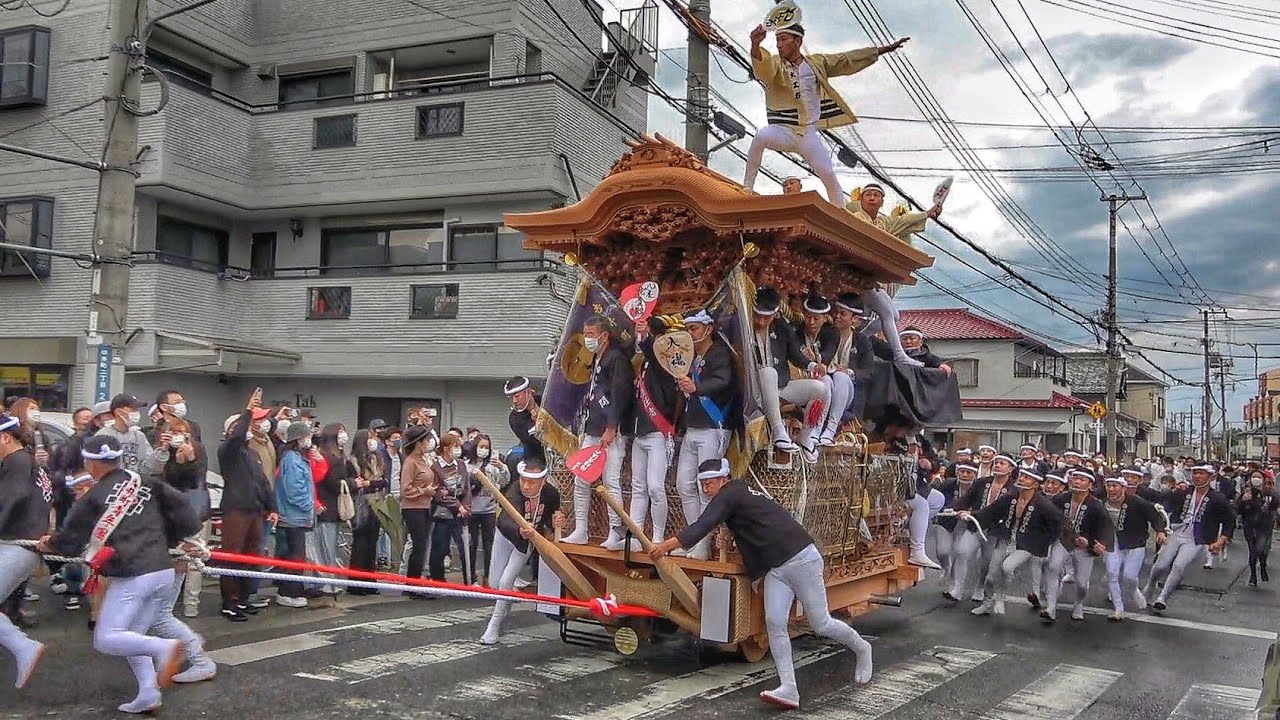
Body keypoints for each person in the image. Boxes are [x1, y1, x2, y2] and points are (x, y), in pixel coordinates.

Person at [651, 459, 874, 709]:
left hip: (801, 558)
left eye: (709, 483)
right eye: (702, 484)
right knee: (774, 623)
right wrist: (745, 560)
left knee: (821, 624)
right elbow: (753, 536)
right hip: (777, 569)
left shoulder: (731, 493)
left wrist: (664, 547)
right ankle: (789, 688)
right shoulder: (738, 495)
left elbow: (702, 526)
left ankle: (862, 648)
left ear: (724, 479)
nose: (705, 489)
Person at [40, 435, 201, 714]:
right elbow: (184, 510)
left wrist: (49, 544)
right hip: (162, 568)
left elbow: (70, 542)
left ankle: (165, 648)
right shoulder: (144, 481)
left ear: (90, 462)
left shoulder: (92, 497)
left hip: (132, 573)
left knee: (107, 637)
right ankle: (149, 693)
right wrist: (174, 539)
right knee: (133, 635)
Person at [743, 20, 908, 206]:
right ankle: (747, 188)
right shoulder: (775, 64)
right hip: (783, 130)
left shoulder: (817, 63)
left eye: (783, 39)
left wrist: (882, 50)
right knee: (761, 136)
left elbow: (846, 59)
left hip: (808, 134)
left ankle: (840, 214)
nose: (779, 45)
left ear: (797, 41)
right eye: (777, 40)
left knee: (828, 175)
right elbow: (762, 68)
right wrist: (755, 44)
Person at [564, 315, 633, 550]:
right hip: (592, 428)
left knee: (611, 481)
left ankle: (617, 531)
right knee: (580, 478)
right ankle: (581, 528)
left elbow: (620, 395)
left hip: (611, 431)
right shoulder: (596, 360)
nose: (587, 339)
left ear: (604, 336)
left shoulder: (617, 360)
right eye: (586, 334)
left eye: (591, 334)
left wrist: (612, 427)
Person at [480, 457, 565, 645]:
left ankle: (493, 625)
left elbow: (550, 520)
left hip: (527, 541)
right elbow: (504, 519)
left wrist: (556, 521)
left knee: (506, 580)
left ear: (543, 481)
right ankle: (504, 608)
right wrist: (519, 529)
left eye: (532, 482)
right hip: (505, 536)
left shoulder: (551, 494)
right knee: (495, 583)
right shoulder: (514, 491)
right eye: (523, 480)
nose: (526, 486)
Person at [956, 469, 1064, 617]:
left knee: (1007, 568)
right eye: (1021, 476)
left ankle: (1000, 597)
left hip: (1026, 544)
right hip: (1006, 538)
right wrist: (970, 514)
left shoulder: (1043, 505)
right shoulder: (1011, 497)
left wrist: (1042, 542)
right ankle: (986, 604)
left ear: (1035, 484)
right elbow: (991, 511)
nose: (1022, 479)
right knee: (991, 575)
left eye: (1027, 477)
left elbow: (1057, 525)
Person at [673, 309, 736, 558]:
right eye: (687, 329)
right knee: (683, 484)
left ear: (708, 329)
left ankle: (702, 544)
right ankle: (695, 537)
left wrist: (697, 387)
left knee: (706, 488)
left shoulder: (720, 354)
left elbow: (723, 382)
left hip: (713, 426)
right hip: (693, 427)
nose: (690, 334)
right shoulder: (688, 357)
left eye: (694, 329)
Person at [214, 389, 279, 621]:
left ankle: (243, 598)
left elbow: (263, 481)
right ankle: (229, 603)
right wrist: (248, 409)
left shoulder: (252, 453)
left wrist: (272, 507)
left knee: (251, 557)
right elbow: (237, 435)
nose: (251, 429)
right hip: (236, 510)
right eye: (247, 425)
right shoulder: (227, 451)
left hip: (255, 510)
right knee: (232, 556)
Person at [1141, 463, 1234, 612]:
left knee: (1179, 566)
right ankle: (1150, 586)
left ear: (1211, 477)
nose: (1197, 476)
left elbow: (1229, 521)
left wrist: (1220, 541)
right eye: (1195, 473)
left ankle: (1163, 597)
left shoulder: (1218, 498)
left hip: (1197, 538)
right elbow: (1164, 503)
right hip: (1177, 531)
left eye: (1201, 473)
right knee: (1161, 564)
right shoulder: (1184, 492)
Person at [0, 412, 49, 690]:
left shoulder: (16, 461)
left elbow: (12, 498)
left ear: (5, 437)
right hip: (21, 545)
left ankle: (23, 646)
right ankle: (22, 646)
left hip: (18, 546)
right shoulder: (29, 461)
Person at [752, 286, 830, 456]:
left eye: (766, 318)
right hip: (753, 387)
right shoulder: (743, 326)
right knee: (768, 372)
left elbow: (795, 353)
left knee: (820, 389)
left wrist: (812, 366)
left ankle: (807, 435)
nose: (761, 322)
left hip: (780, 387)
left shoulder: (782, 327)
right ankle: (778, 430)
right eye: (758, 316)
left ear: (775, 314)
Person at [1042, 469, 1113, 623]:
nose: (1076, 481)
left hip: (1084, 547)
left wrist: (1098, 542)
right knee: (1053, 567)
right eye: (1074, 478)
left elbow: (1106, 527)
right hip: (1064, 540)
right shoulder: (1060, 499)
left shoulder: (1096, 505)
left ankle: (1079, 604)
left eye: (1081, 479)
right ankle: (1050, 606)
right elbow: (1048, 516)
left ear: (1090, 484)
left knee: (1081, 584)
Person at [947, 454, 1016, 603]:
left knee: (986, 562)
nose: (997, 465)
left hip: (995, 531)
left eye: (1002, 463)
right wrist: (952, 508)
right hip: (974, 526)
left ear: (1010, 468)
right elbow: (967, 499)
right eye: (996, 462)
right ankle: (957, 589)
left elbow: (996, 510)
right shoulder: (981, 482)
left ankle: (979, 588)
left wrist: (971, 513)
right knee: (962, 552)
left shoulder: (1013, 491)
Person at [1103, 474, 1167, 621]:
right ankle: (1118, 610)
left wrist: (1160, 531)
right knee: (1112, 573)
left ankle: (1134, 590)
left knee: (1129, 577)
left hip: (1135, 544)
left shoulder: (1137, 502)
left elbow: (1154, 516)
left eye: (1115, 486)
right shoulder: (1102, 503)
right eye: (1109, 486)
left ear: (1123, 488)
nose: (1111, 489)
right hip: (1113, 543)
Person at [274, 422, 319, 608]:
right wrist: (309, 505)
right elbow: (294, 490)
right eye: (306, 436)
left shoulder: (295, 458)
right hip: (293, 516)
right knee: (294, 556)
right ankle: (289, 592)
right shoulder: (293, 460)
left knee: (291, 555)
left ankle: (291, 590)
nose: (309, 440)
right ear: (298, 439)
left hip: (292, 515)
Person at [398, 425, 438, 595]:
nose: (429, 443)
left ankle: (416, 581)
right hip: (413, 508)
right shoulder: (410, 462)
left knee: (423, 545)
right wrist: (424, 491)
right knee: (418, 545)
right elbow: (405, 490)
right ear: (418, 443)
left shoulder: (423, 460)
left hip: (425, 506)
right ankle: (412, 584)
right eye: (426, 440)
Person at [312, 423, 351, 594]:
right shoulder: (326, 456)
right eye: (340, 431)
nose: (343, 435)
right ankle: (326, 582)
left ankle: (330, 580)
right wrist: (350, 483)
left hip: (333, 508)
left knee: (332, 546)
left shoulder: (338, 455)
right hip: (326, 507)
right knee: (325, 547)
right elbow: (330, 481)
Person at [347, 429, 388, 592]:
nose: (373, 441)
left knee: (372, 543)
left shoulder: (377, 458)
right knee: (360, 543)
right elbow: (354, 482)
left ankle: (370, 580)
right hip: (361, 504)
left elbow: (383, 481)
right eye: (370, 438)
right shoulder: (352, 461)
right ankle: (356, 583)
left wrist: (370, 483)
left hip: (377, 503)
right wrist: (367, 483)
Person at [465, 434, 508, 586]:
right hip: (471, 511)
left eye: (486, 447)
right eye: (481, 446)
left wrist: (502, 467)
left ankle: (490, 577)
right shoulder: (466, 466)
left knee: (490, 545)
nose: (483, 450)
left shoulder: (492, 466)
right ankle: (470, 577)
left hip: (489, 510)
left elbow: (504, 481)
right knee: (471, 545)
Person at [429, 432, 472, 582]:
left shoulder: (460, 465)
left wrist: (466, 506)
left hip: (461, 514)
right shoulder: (435, 467)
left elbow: (466, 487)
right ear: (446, 448)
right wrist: (457, 505)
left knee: (465, 547)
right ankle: (437, 580)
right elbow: (438, 492)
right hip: (443, 514)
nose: (459, 449)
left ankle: (469, 579)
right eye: (456, 446)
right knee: (439, 548)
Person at [933, 462, 978, 586]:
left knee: (959, 552)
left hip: (965, 523)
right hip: (945, 521)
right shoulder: (948, 484)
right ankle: (946, 567)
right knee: (942, 551)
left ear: (975, 474)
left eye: (968, 472)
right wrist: (945, 509)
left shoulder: (978, 487)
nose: (964, 475)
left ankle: (954, 582)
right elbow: (938, 499)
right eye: (961, 471)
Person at [1237, 469, 1280, 586]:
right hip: (1250, 527)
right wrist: (1243, 500)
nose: (1256, 479)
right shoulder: (1247, 493)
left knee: (1261, 550)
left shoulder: (1269, 492)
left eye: (1259, 477)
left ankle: (1262, 566)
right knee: (1252, 551)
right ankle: (1253, 575)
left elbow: (1275, 505)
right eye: (1254, 477)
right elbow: (1238, 510)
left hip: (1264, 528)